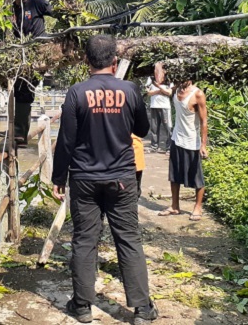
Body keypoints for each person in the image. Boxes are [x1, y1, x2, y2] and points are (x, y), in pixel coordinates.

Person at [52, 35, 158, 324]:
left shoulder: (76, 93)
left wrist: (58, 178)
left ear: (86, 60)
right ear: (114, 61)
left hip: (84, 179)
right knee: (128, 240)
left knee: (85, 240)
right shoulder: (130, 90)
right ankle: (142, 310)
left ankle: (82, 306)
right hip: (122, 178)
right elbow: (143, 129)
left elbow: (66, 141)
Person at [1, 0, 54, 146]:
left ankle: (18, 133)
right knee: (18, 91)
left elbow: (58, 13)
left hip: (37, 53)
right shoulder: (10, 10)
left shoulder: (36, 3)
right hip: (19, 54)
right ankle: (18, 133)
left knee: (23, 91)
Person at [158, 78, 209, 221]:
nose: (179, 79)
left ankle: (198, 207)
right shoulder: (176, 89)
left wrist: (203, 145)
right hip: (176, 138)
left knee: (196, 176)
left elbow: (204, 120)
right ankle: (175, 206)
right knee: (174, 174)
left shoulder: (197, 94)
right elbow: (165, 88)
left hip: (192, 141)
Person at [145, 63, 173, 153]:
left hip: (165, 107)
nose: (156, 71)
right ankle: (154, 146)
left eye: (159, 69)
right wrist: (160, 90)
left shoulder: (168, 79)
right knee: (154, 128)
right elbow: (148, 92)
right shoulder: (151, 79)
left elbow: (169, 93)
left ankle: (169, 147)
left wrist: (158, 87)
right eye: (155, 69)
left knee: (168, 128)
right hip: (154, 106)